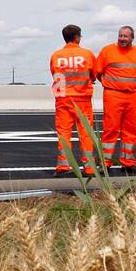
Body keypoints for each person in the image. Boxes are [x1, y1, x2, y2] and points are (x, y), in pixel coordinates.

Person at [94, 25, 136, 172]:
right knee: (111, 129)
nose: (122, 38)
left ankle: (128, 163)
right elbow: (98, 71)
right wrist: (109, 83)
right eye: (120, 35)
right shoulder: (107, 51)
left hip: (131, 95)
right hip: (113, 95)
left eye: (125, 36)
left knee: (131, 130)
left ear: (132, 38)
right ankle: (105, 164)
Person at [48, 24, 96, 176]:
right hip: (82, 99)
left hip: (63, 99)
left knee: (64, 133)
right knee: (86, 134)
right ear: (76, 37)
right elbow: (94, 75)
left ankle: (63, 166)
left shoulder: (56, 55)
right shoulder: (87, 54)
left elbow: (54, 74)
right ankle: (89, 168)